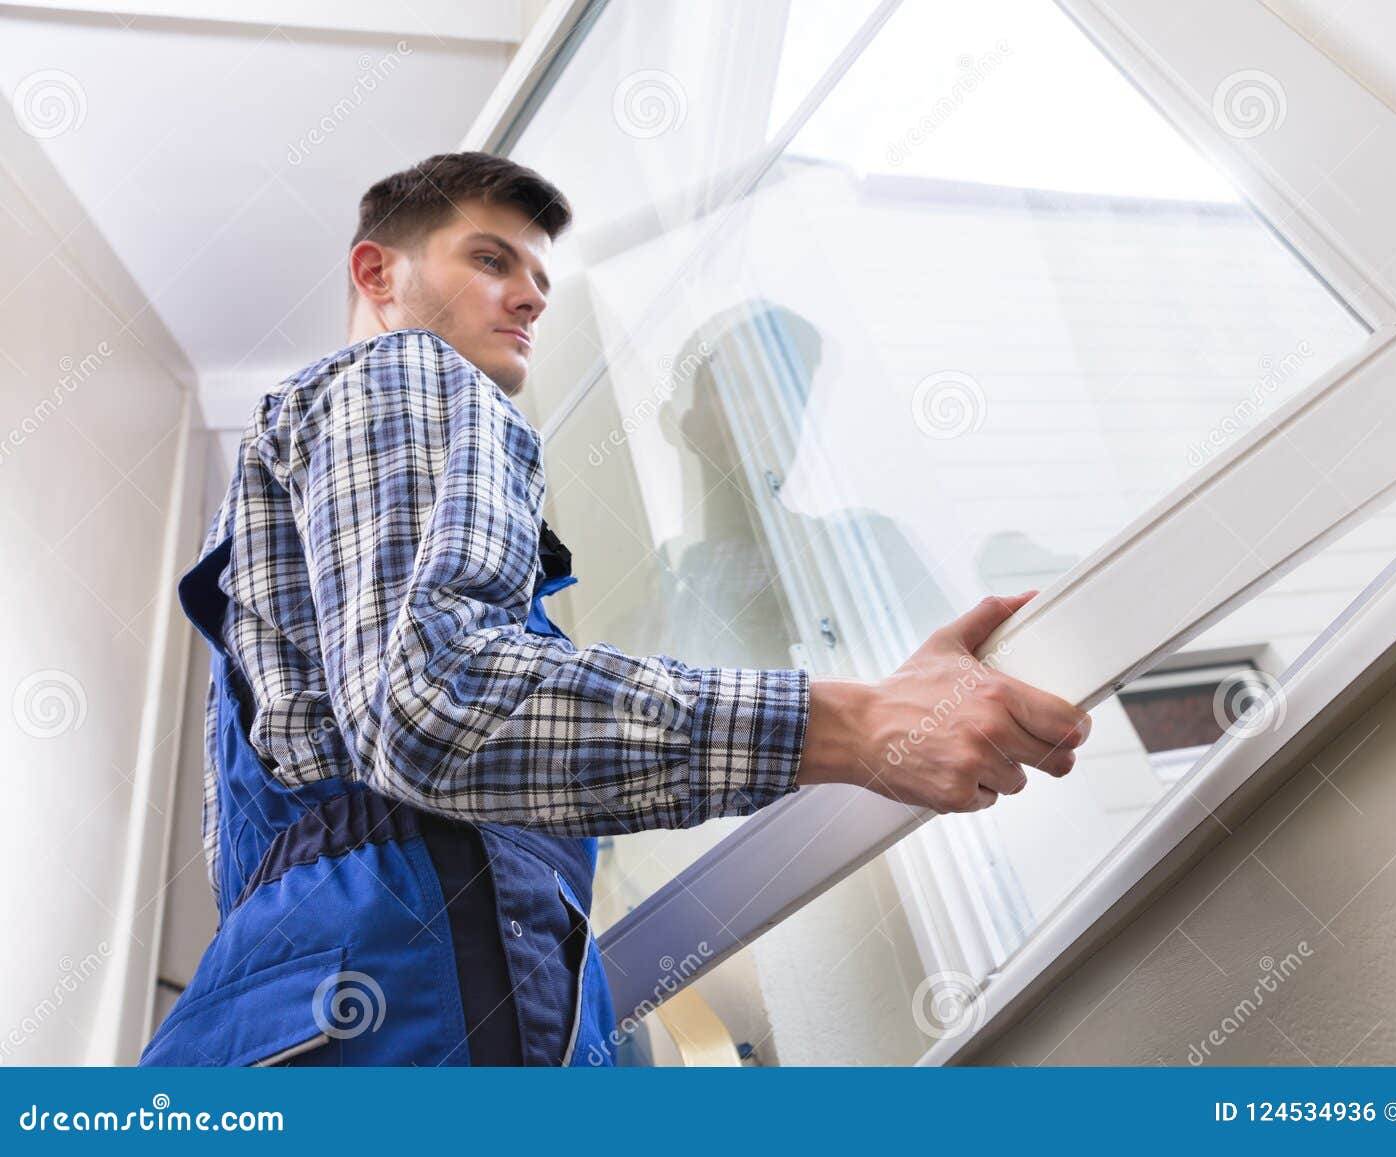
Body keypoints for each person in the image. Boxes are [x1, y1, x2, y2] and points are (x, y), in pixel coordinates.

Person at [139, 152, 1091, 1068]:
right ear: (376, 271)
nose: (529, 296)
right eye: (489, 258)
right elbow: (434, 703)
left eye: (541, 279)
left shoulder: (285, 517)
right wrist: (856, 721)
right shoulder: (411, 374)